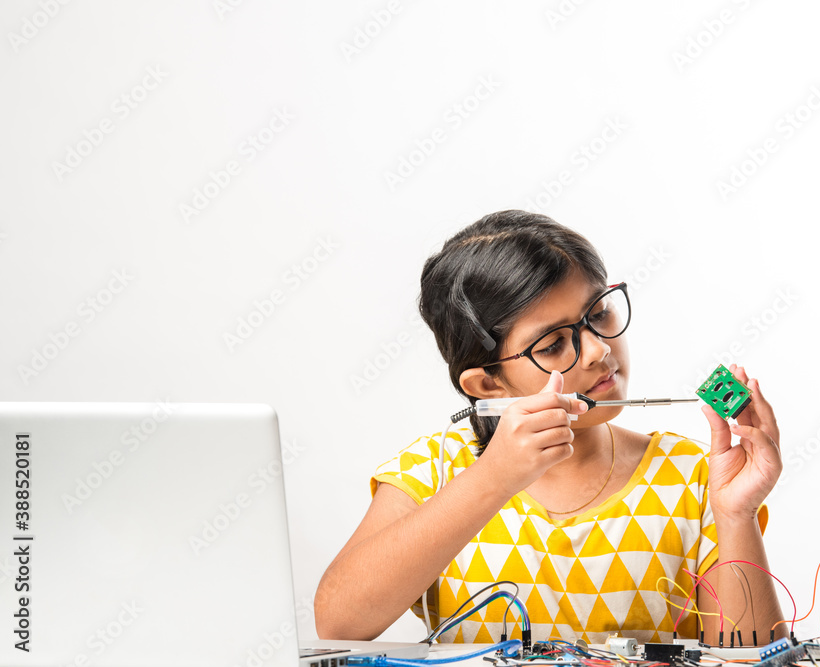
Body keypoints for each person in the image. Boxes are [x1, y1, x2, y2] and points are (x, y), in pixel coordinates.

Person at [315, 210, 786, 645]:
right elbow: (339, 623)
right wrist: (494, 477)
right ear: (488, 384)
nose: (599, 350)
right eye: (555, 343)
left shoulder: (691, 477)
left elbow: (750, 657)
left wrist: (736, 514)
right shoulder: (433, 470)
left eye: (599, 313)